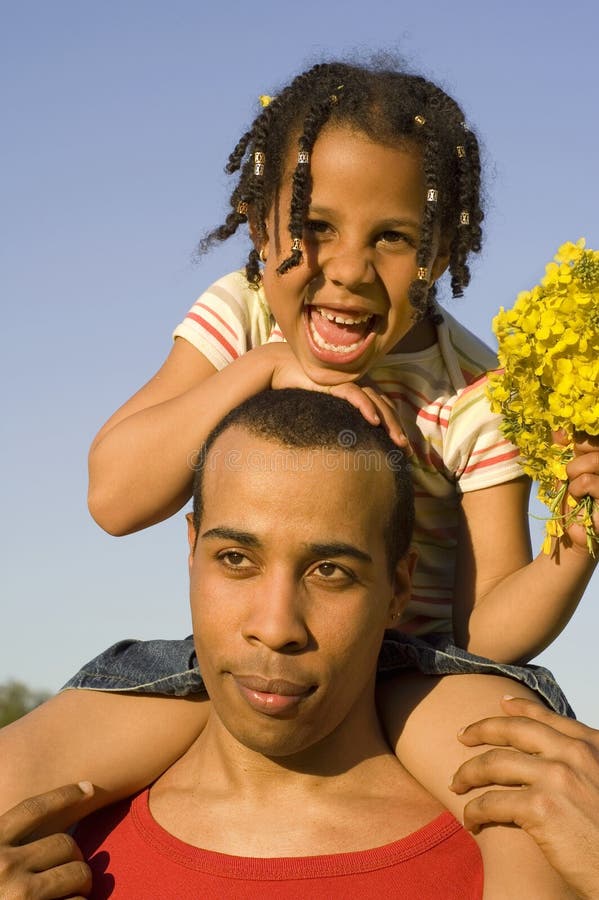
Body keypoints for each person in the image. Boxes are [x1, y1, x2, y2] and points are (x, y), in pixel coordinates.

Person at [1, 54, 596, 842]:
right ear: (258, 226)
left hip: (417, 673)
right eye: (314, 229)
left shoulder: (471, 396)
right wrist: (263, 368)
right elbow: (114, 497)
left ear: (442, 253)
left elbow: (484, 629)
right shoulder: (245, 318)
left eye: (392, 239)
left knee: (519, 803)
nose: (347, 270)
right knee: (19, 774)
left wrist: (578, 540)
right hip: (244, 662)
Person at [0, 391, 577, 898]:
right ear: (192, 547)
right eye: (236, 559)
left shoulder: (546, 835)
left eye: (329, 571)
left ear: (398, 585)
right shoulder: (44, 850)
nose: (276, 627)